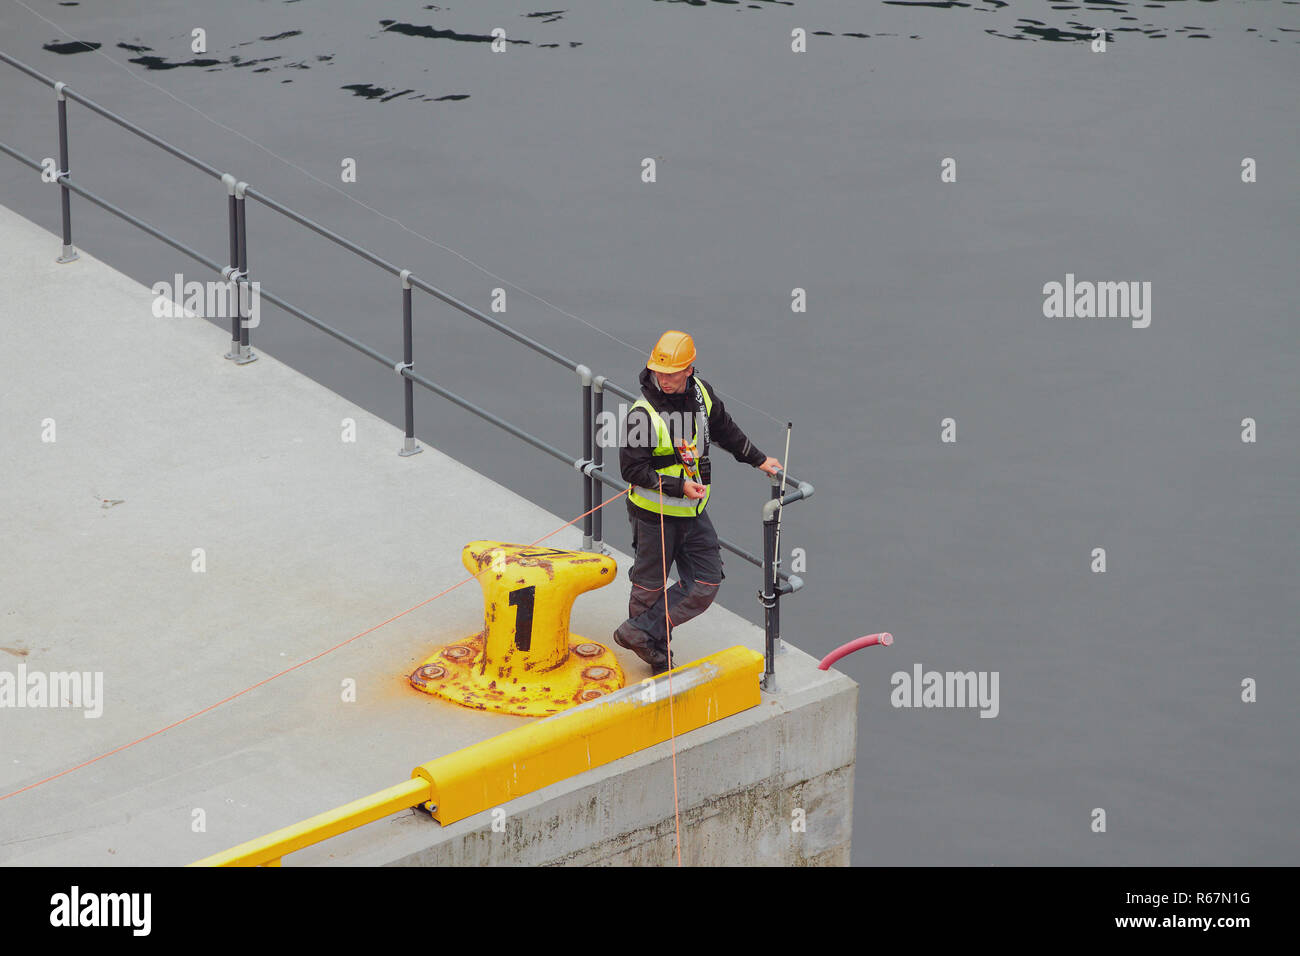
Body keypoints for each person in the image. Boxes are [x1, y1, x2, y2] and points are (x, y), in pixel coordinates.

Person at [615, 330, 781, 673]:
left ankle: (639, 632)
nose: (664, 379)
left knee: (706, 582)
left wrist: (759, 460)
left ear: (689, 369)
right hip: (652, 515)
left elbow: (725, 430)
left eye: (671, 373)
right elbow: (631, 470)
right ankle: (655, 654)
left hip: (692, 513)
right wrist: (678, 487)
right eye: (659, 372)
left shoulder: (702, 396)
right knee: (648, 586)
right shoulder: (641, 414)